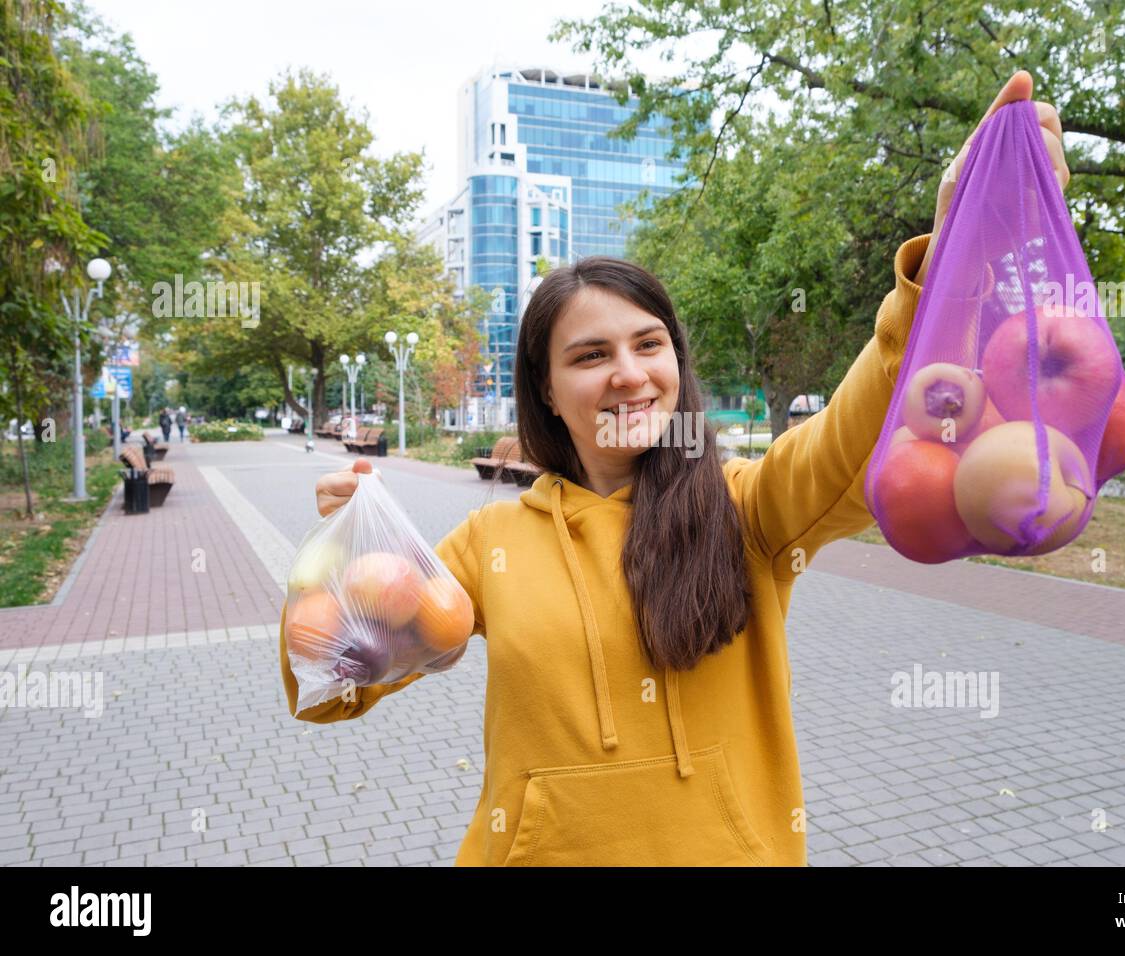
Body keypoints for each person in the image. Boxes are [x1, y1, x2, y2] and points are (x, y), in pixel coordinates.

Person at [281, 71, 1070, 866]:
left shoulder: (750, 512)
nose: (628, 373)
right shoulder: (487, 545)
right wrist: (343, 560)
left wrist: (955, 258)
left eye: (648, 344)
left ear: (675, 362)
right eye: (590, 356)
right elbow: (333, 690)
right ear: (548, 393)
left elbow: (857, 430)